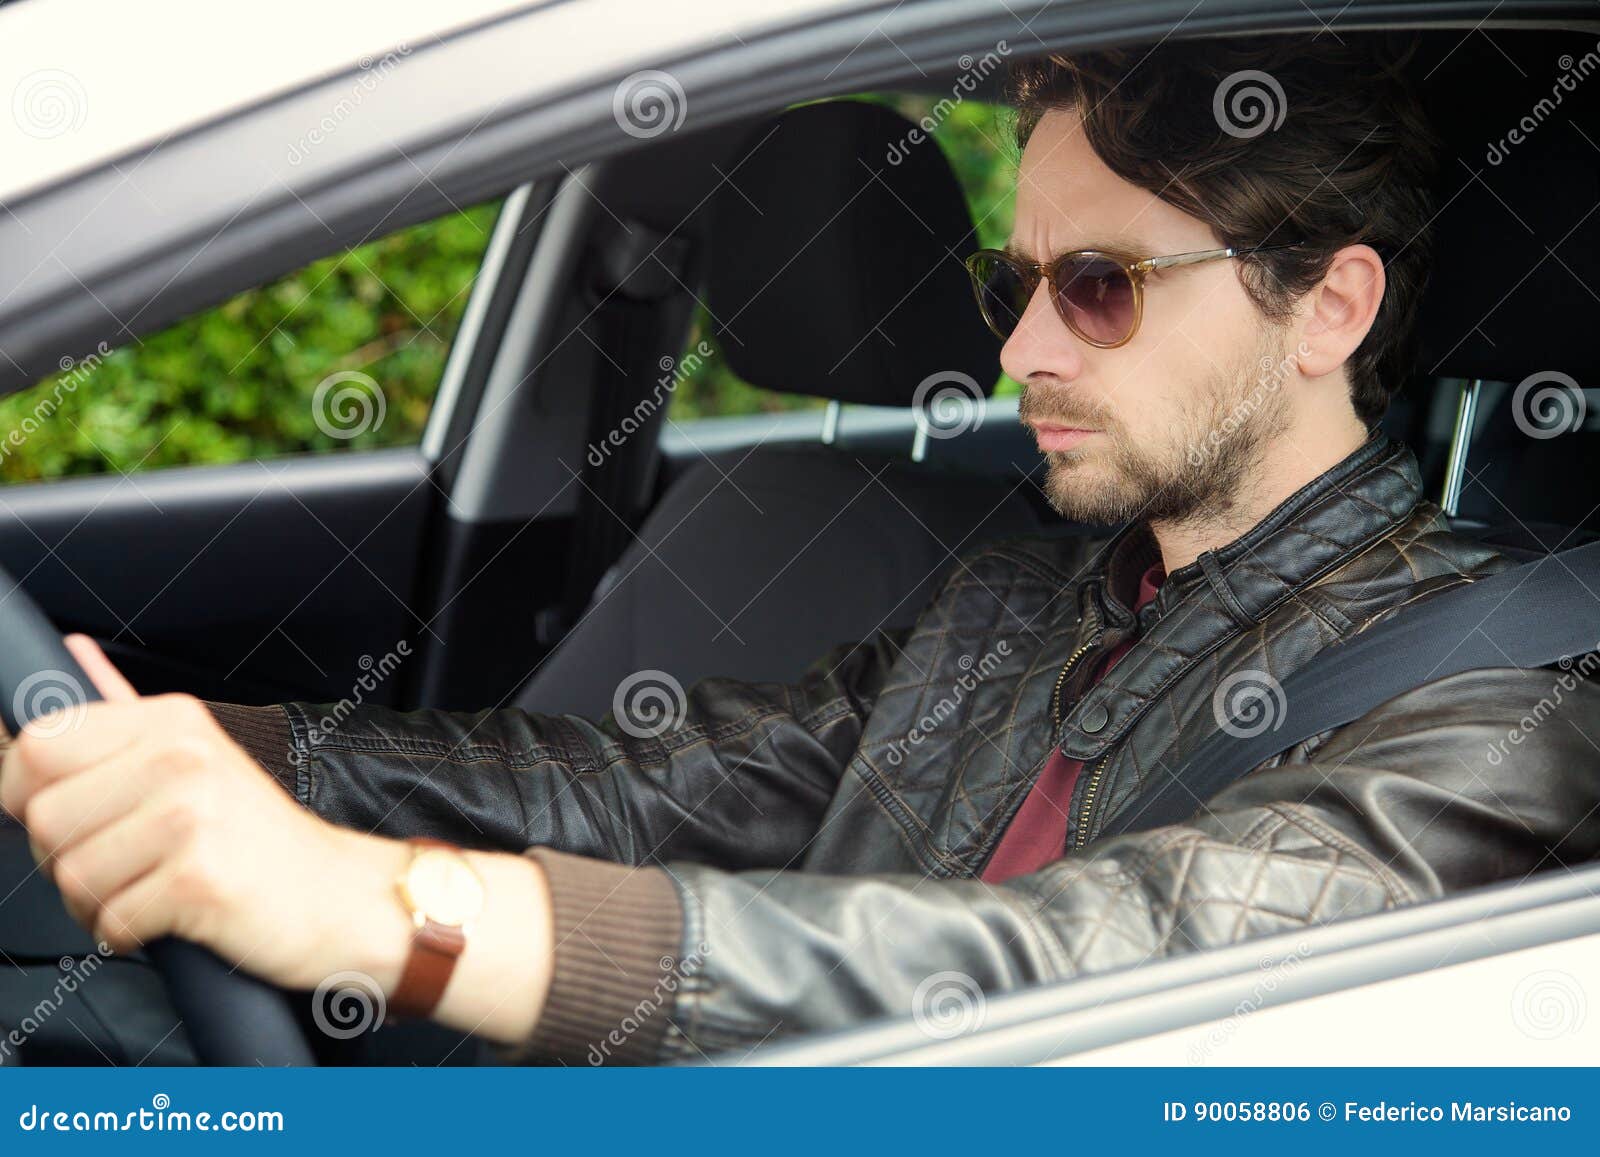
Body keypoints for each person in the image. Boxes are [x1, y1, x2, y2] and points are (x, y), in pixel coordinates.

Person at [5, 34, 1598, 1065]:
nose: (1023, 347)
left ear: (1331, 303)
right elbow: (648, 784)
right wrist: (215, 753)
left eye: (1101, 282)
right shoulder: (1022, 593)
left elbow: (1094, 958)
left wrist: (387, 913)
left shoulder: (1499, 710)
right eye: (1011, 282)